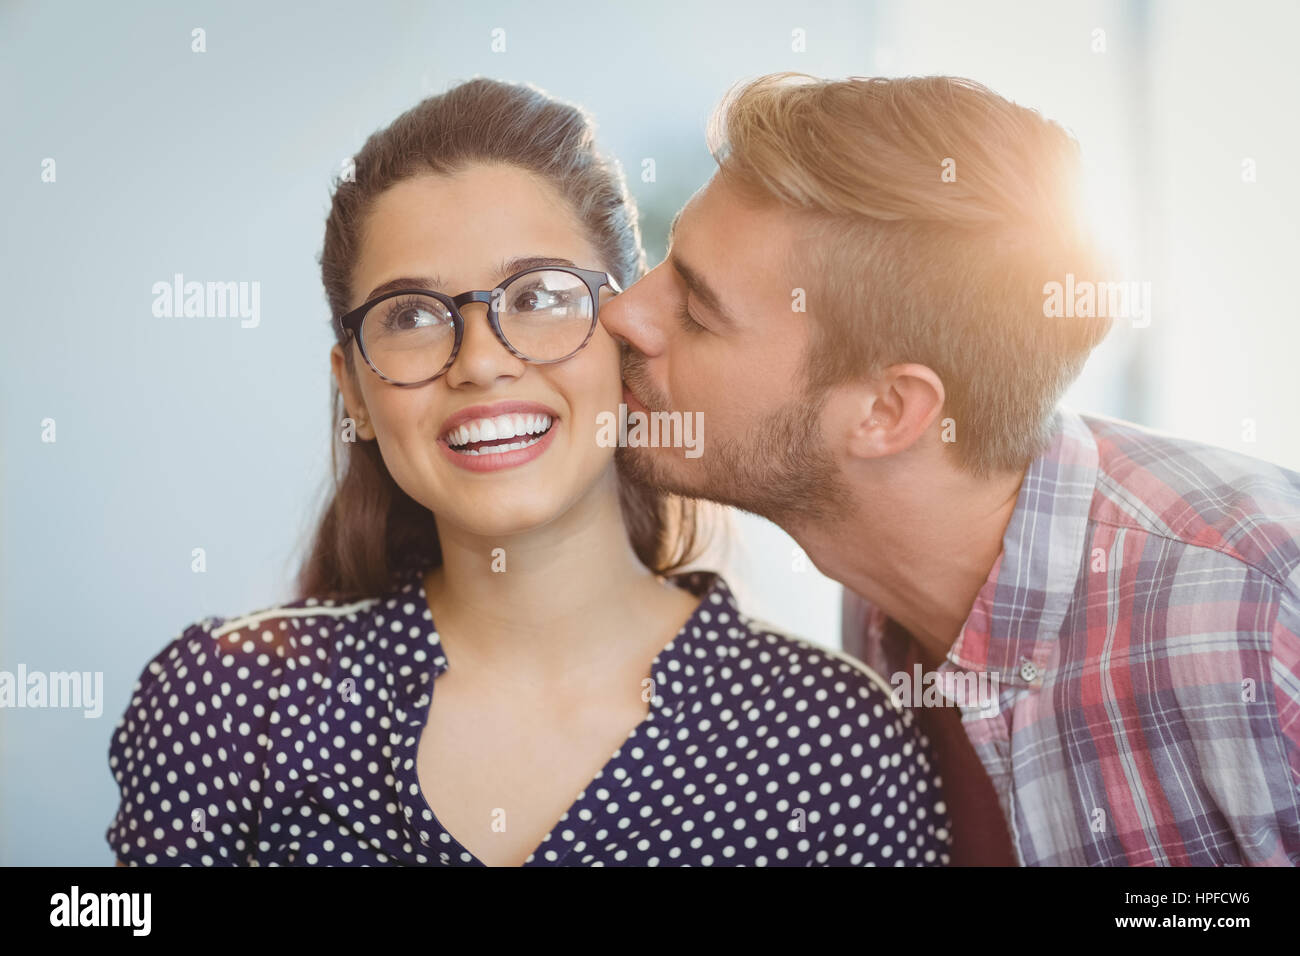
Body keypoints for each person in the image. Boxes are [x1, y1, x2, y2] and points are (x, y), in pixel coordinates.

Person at [104, 77, 951, 867]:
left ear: (629, 331)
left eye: (539, 297)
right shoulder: (225, 707)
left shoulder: (839, 746)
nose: (479, 363)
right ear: (354, 394)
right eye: (409, 316)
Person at [598, 71, 1300, 866]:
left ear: (888, 413)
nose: (623, 311)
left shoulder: (1259, 608)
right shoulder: (879, 593)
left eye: (696, 311)